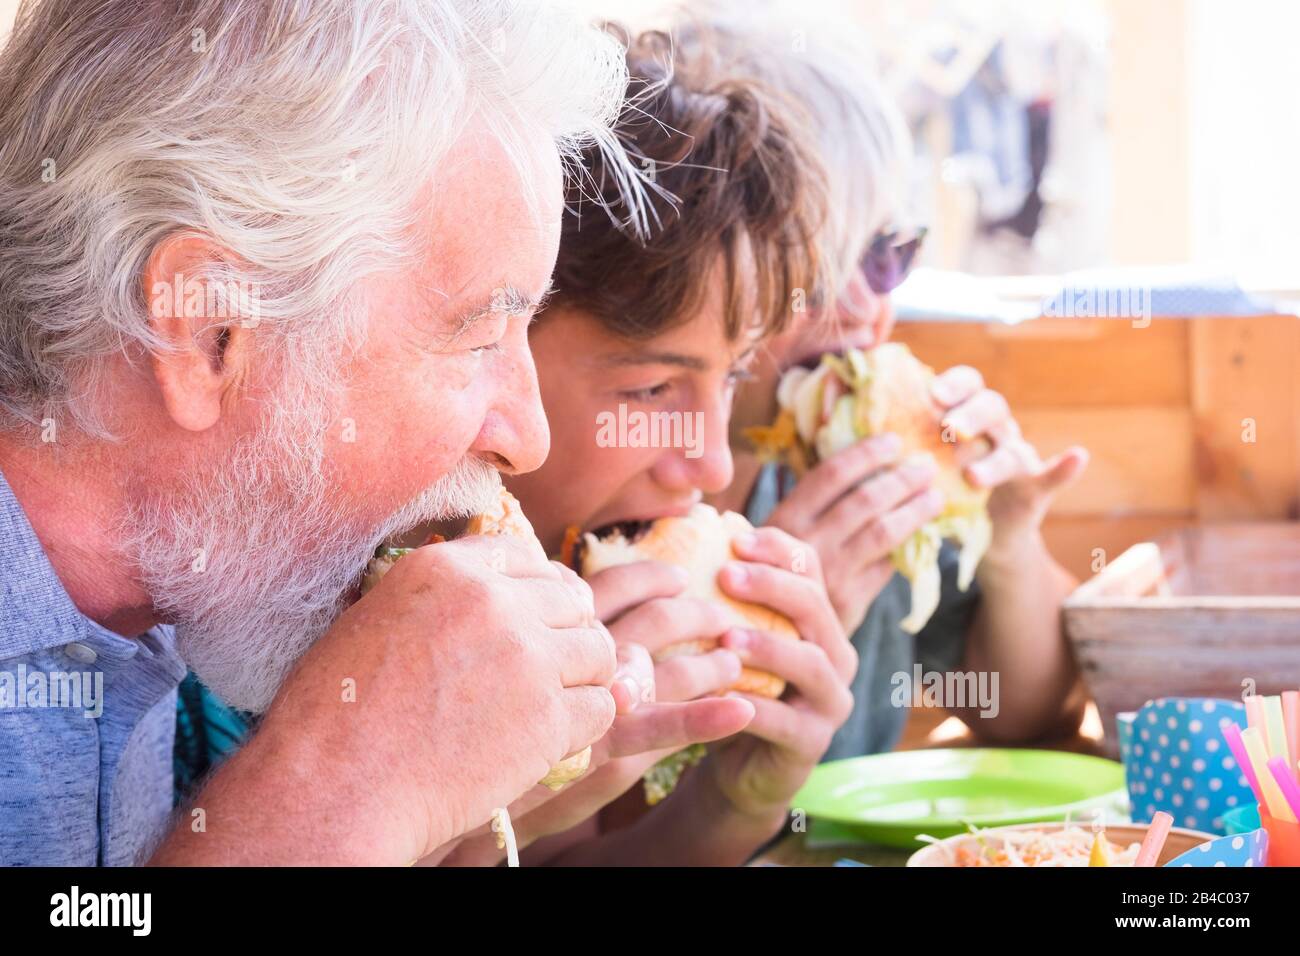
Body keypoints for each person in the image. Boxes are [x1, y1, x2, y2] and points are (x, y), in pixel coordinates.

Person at [0, 0, 738, 866]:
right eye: (476, 335)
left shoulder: (167, 593)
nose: (525, 438)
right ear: (205, 333)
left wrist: (438, 827)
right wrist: (336, 792)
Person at [435, 25, 855, 867]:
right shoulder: (339, 605)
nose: (712, 466)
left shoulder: (558, 584)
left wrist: (731, 805)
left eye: (731, 377)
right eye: (652, 390)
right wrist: (470, 823)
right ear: (496, 348)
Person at [693, 8, 1092, 758]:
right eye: (812, 264)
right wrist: (766, 623)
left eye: (888, 253)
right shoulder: (636, 505)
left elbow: (1020, 713)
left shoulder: (855, 466)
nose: (864, 305)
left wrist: (1005, 540)